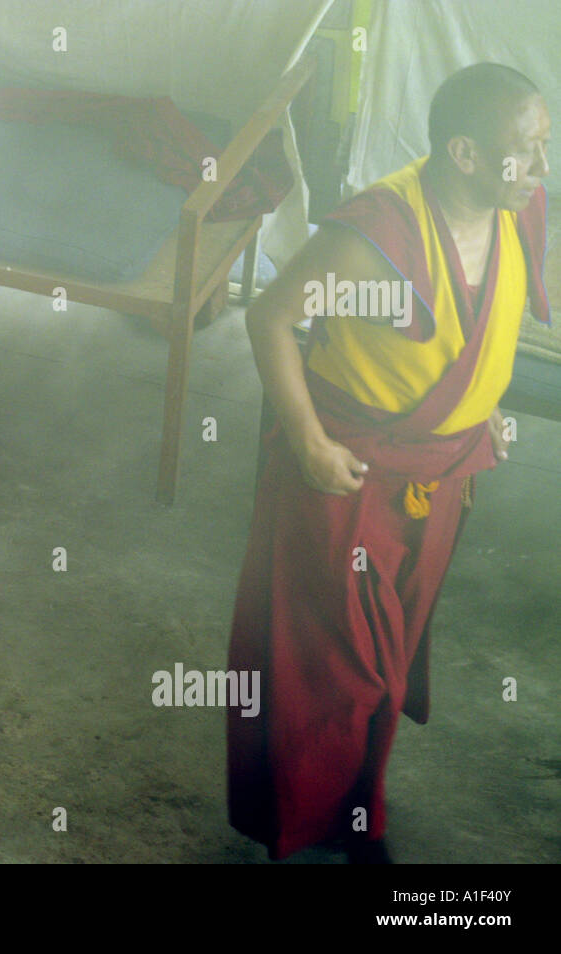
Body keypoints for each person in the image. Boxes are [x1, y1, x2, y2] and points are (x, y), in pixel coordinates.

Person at [227, 63, 550, 863]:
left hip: (444, 472)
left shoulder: (514, 208)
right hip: (351, 473)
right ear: (466, 153)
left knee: (388, 668)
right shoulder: (379, 237)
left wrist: (482, 409)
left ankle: (359, 815)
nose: (542, 170)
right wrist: (307, 442)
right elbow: (271, 319)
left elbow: (478, 328)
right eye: (527, 152)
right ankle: (303, 826)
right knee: (341, 673)